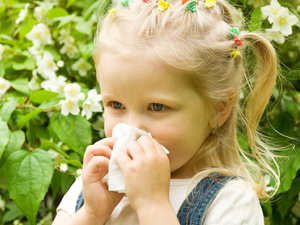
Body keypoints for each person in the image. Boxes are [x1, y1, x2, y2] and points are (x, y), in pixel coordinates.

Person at [53, 0, 280, 224]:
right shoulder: (91, 189)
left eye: (157, 107)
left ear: (218, 108)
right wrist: (93, 213)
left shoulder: (230, 202)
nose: (132, 127)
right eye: (116, 105)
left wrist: (153, 206)